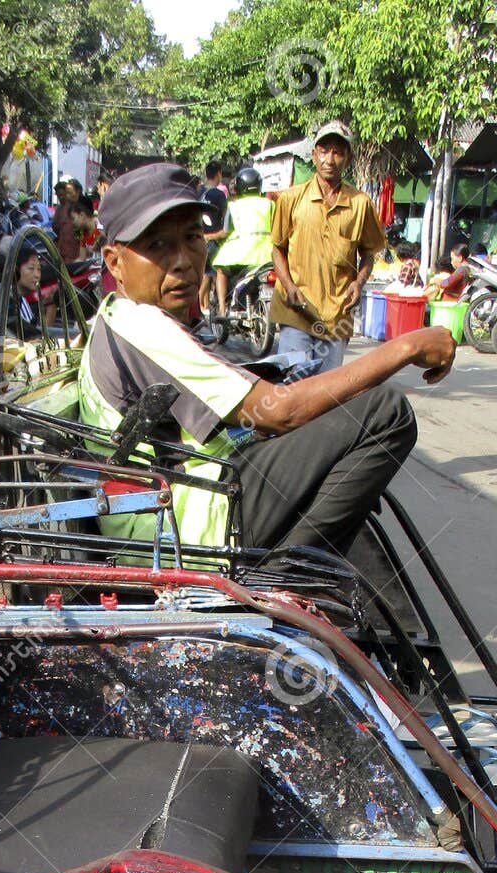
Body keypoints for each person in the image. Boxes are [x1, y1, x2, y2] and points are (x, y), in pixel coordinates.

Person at [78, 162, 455, 567]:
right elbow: (281, 412)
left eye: (191, 238)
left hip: (182, 498)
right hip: (177, 527)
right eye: (157, 247)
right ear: (115, 262)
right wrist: (407, 347)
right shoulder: (141, 325)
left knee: (333, 413)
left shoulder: (124, 315)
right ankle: (286, 574)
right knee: (386, 412)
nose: (183, 261)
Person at [269, 119, 387, 372]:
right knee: (293, 388)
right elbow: (277, 248)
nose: (329, 159)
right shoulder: (291, 198)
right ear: (314, 155)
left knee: (326, 394)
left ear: (347, 158)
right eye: (324, 151)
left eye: (338, 152)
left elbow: (368, 252)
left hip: (337, 316)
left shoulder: (360, 203)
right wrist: (288, 286)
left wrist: (359, 283)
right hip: (296, 311)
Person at [212, 165, 275, 317]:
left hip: (241, 254)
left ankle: (221, 309)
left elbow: (226, 231)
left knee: (220, 271)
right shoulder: (270, 204)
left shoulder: (233, 206)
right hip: (268, 254)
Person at [198, 159, 229, 315]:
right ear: (219, 174)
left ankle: (203, 306)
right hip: (214, 239)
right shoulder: (218, 194)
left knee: (205, 274)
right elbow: (226, 218)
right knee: (218, 272)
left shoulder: (199, 193)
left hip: (199, 239)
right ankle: (219, 308)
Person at [52, 177, 83, 264]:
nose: (60, 198)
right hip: (62, 253)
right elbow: (56, 229)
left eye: (62, 195)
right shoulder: (59, 210)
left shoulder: (77, 208)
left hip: (75, 254)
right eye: (58, 196)